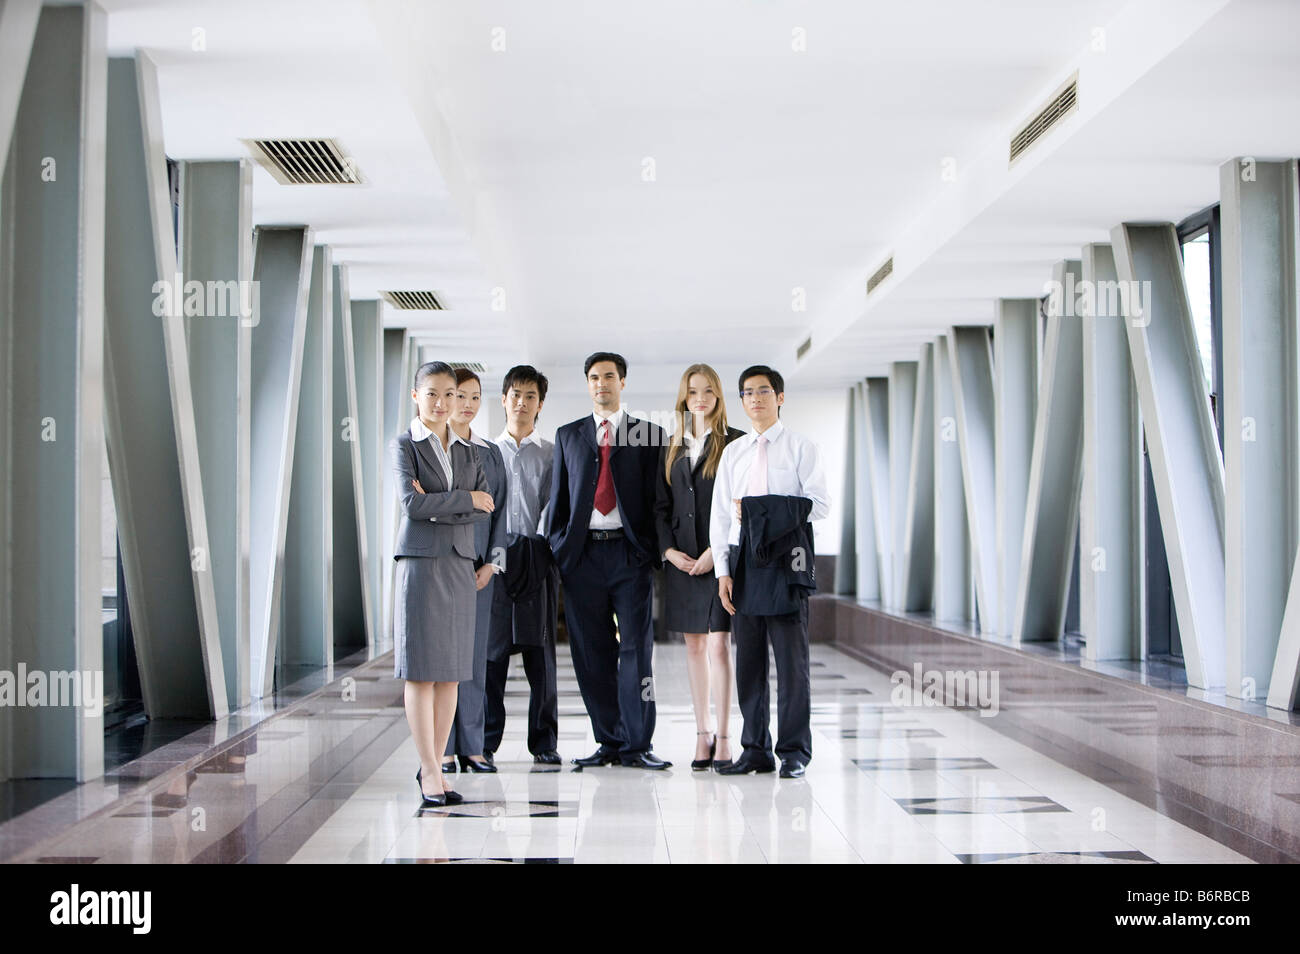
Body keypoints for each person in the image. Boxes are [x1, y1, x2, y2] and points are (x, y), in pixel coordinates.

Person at [549, 352, 671, 770]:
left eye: (609, 377)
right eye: (594, 377)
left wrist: (649, 550)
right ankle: (609, 740)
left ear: (623, 382)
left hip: (628, 554)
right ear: (587, 384)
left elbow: (659, 500)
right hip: (582, 557)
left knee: (637, 650)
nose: (602, 383)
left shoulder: (648, 434)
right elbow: (558, 501)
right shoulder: (568, 435)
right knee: (590, 651)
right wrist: (561, 548)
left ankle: (638, 743)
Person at [711, 365, 830, 779]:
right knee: (749, 664)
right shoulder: (734, 452)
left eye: (764, 391)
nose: (756, 399)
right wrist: (723, 572)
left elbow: (820, 504)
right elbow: (722, 516)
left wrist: (764, 508)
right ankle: (754, 750)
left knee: (792, 663)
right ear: (741, 401)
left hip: (788, 563)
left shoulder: (800, 447)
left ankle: (794, 751)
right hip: (744, 563)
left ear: (780, 397)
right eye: (747, 393)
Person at [391, 361, 494, 806]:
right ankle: (430, 769)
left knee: (451, 672)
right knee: (421, 671)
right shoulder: (404, 445)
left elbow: (485, 504)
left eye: (449, 394)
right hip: (420, 562)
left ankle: (436, 766)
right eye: (431, 393)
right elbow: (412, 504)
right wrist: (462, 500)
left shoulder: (470, 452)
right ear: (416, 396)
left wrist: (446, 503)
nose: (441, 402)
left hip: (457, 563)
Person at [653, 364, 744, 771]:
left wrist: (716, 549)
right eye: (693, 392)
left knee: (720, 645)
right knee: (693, 646)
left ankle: (725, 737)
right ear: (684, 399)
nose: (700, 398)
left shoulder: (735, 443)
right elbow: (659, 508)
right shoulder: (672, 445)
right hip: (682, 562)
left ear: (719, 396)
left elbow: (741, 509)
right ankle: (701, 733)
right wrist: (668, 552)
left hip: (719, 560)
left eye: (708, 391)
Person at [483, 365, 563, 766]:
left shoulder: (552, 453)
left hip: (536, 554)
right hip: (494, 558)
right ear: (503, 399)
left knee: (540, 655)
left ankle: (543, 742)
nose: (521, 402)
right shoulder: (484, 452)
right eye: (515, 394)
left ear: (540, 405)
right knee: (491, 656)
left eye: (530, 396)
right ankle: (485, 742)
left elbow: (555, 506)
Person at [442, 368, 507, 775]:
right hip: (441, 568)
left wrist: (492, 563)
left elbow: (501, 512)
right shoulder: (431, 449)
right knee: (441, 661)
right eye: (458, 396)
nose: (466, 405)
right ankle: (443, 748)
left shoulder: (490, 452)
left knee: (474, 658)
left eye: (473, 397)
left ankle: (473, 745)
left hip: (480, 570)